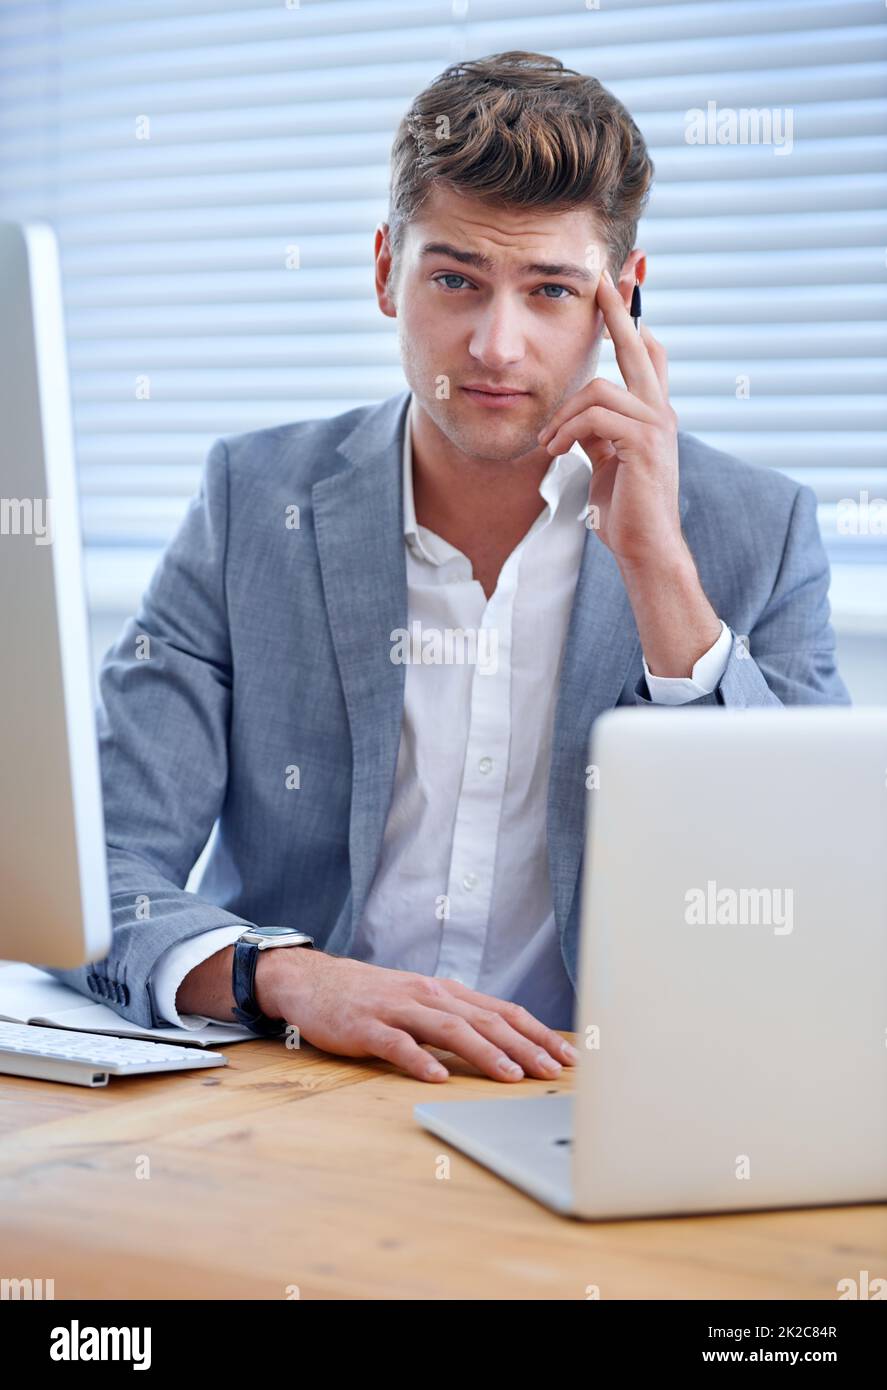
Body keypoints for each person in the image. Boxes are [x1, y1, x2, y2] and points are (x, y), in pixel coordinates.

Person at [49, 51, 850, 1083]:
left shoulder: (756, 529)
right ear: (386, 270)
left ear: (622, 301)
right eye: (454, 279)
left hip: (593, 1105)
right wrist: (285, 975)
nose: (494, 345)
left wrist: (658, 573)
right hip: (298, 1091)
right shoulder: (253, 499)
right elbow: (92, 871)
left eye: (551, 290)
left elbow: (806, 916)